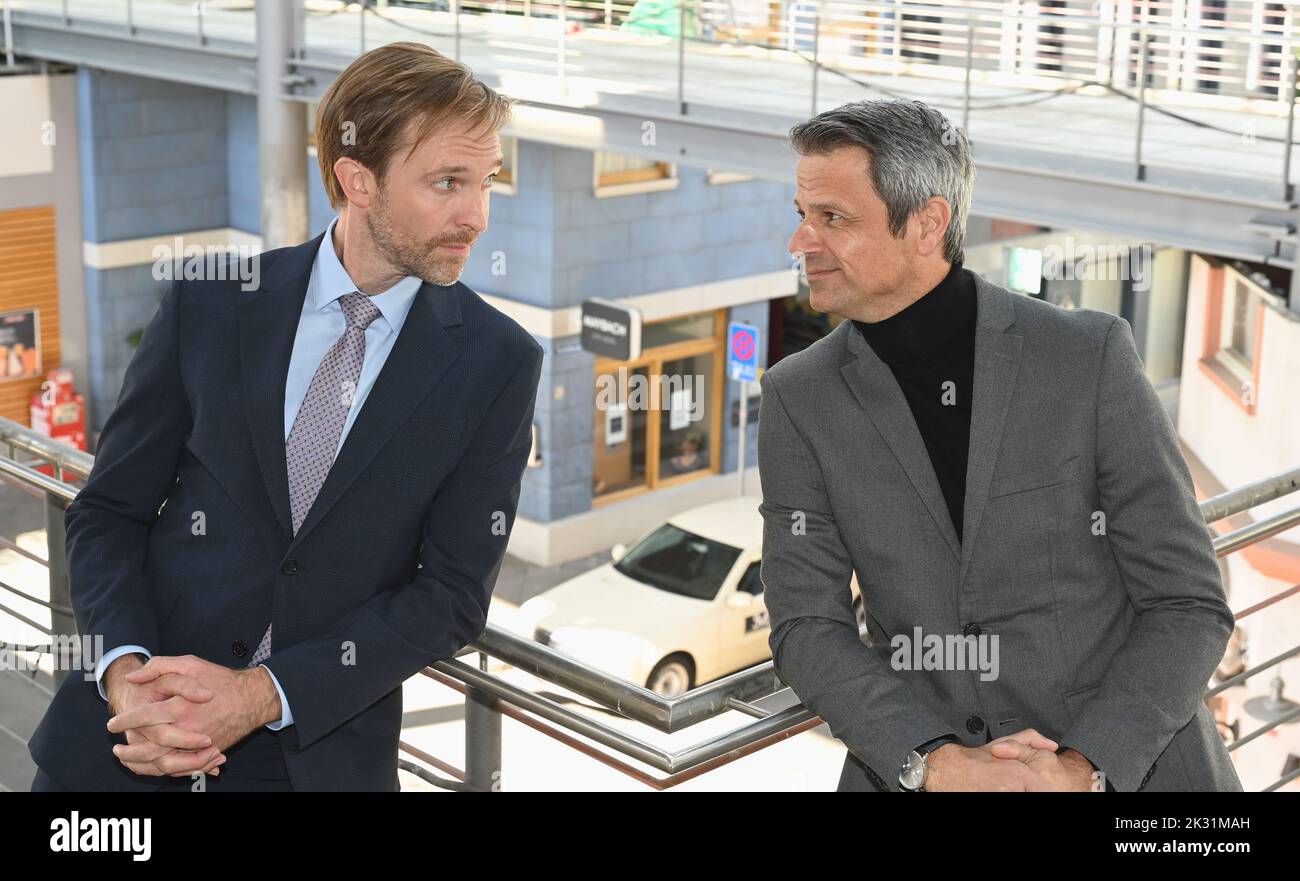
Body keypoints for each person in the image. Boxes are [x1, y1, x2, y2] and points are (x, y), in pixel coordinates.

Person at [27, 42, 543, 791]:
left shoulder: (499, 362)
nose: (478, 216)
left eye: (487, 181)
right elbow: (109, 509)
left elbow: (452, 597)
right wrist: (127, 674)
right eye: (447, 183)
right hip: (124, 746)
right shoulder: (210, 301)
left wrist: (259, 696)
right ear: (356, 179)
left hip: (314, 758)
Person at [757, 99, 1242, 792]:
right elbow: (806, 624)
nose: (801, 241)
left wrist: (1083, 768)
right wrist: (936, 763)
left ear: (928, 224)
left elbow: (1188, 602)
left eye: (832, 218)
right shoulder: (797, 397)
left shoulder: (1086, 356)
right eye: (801, 213)